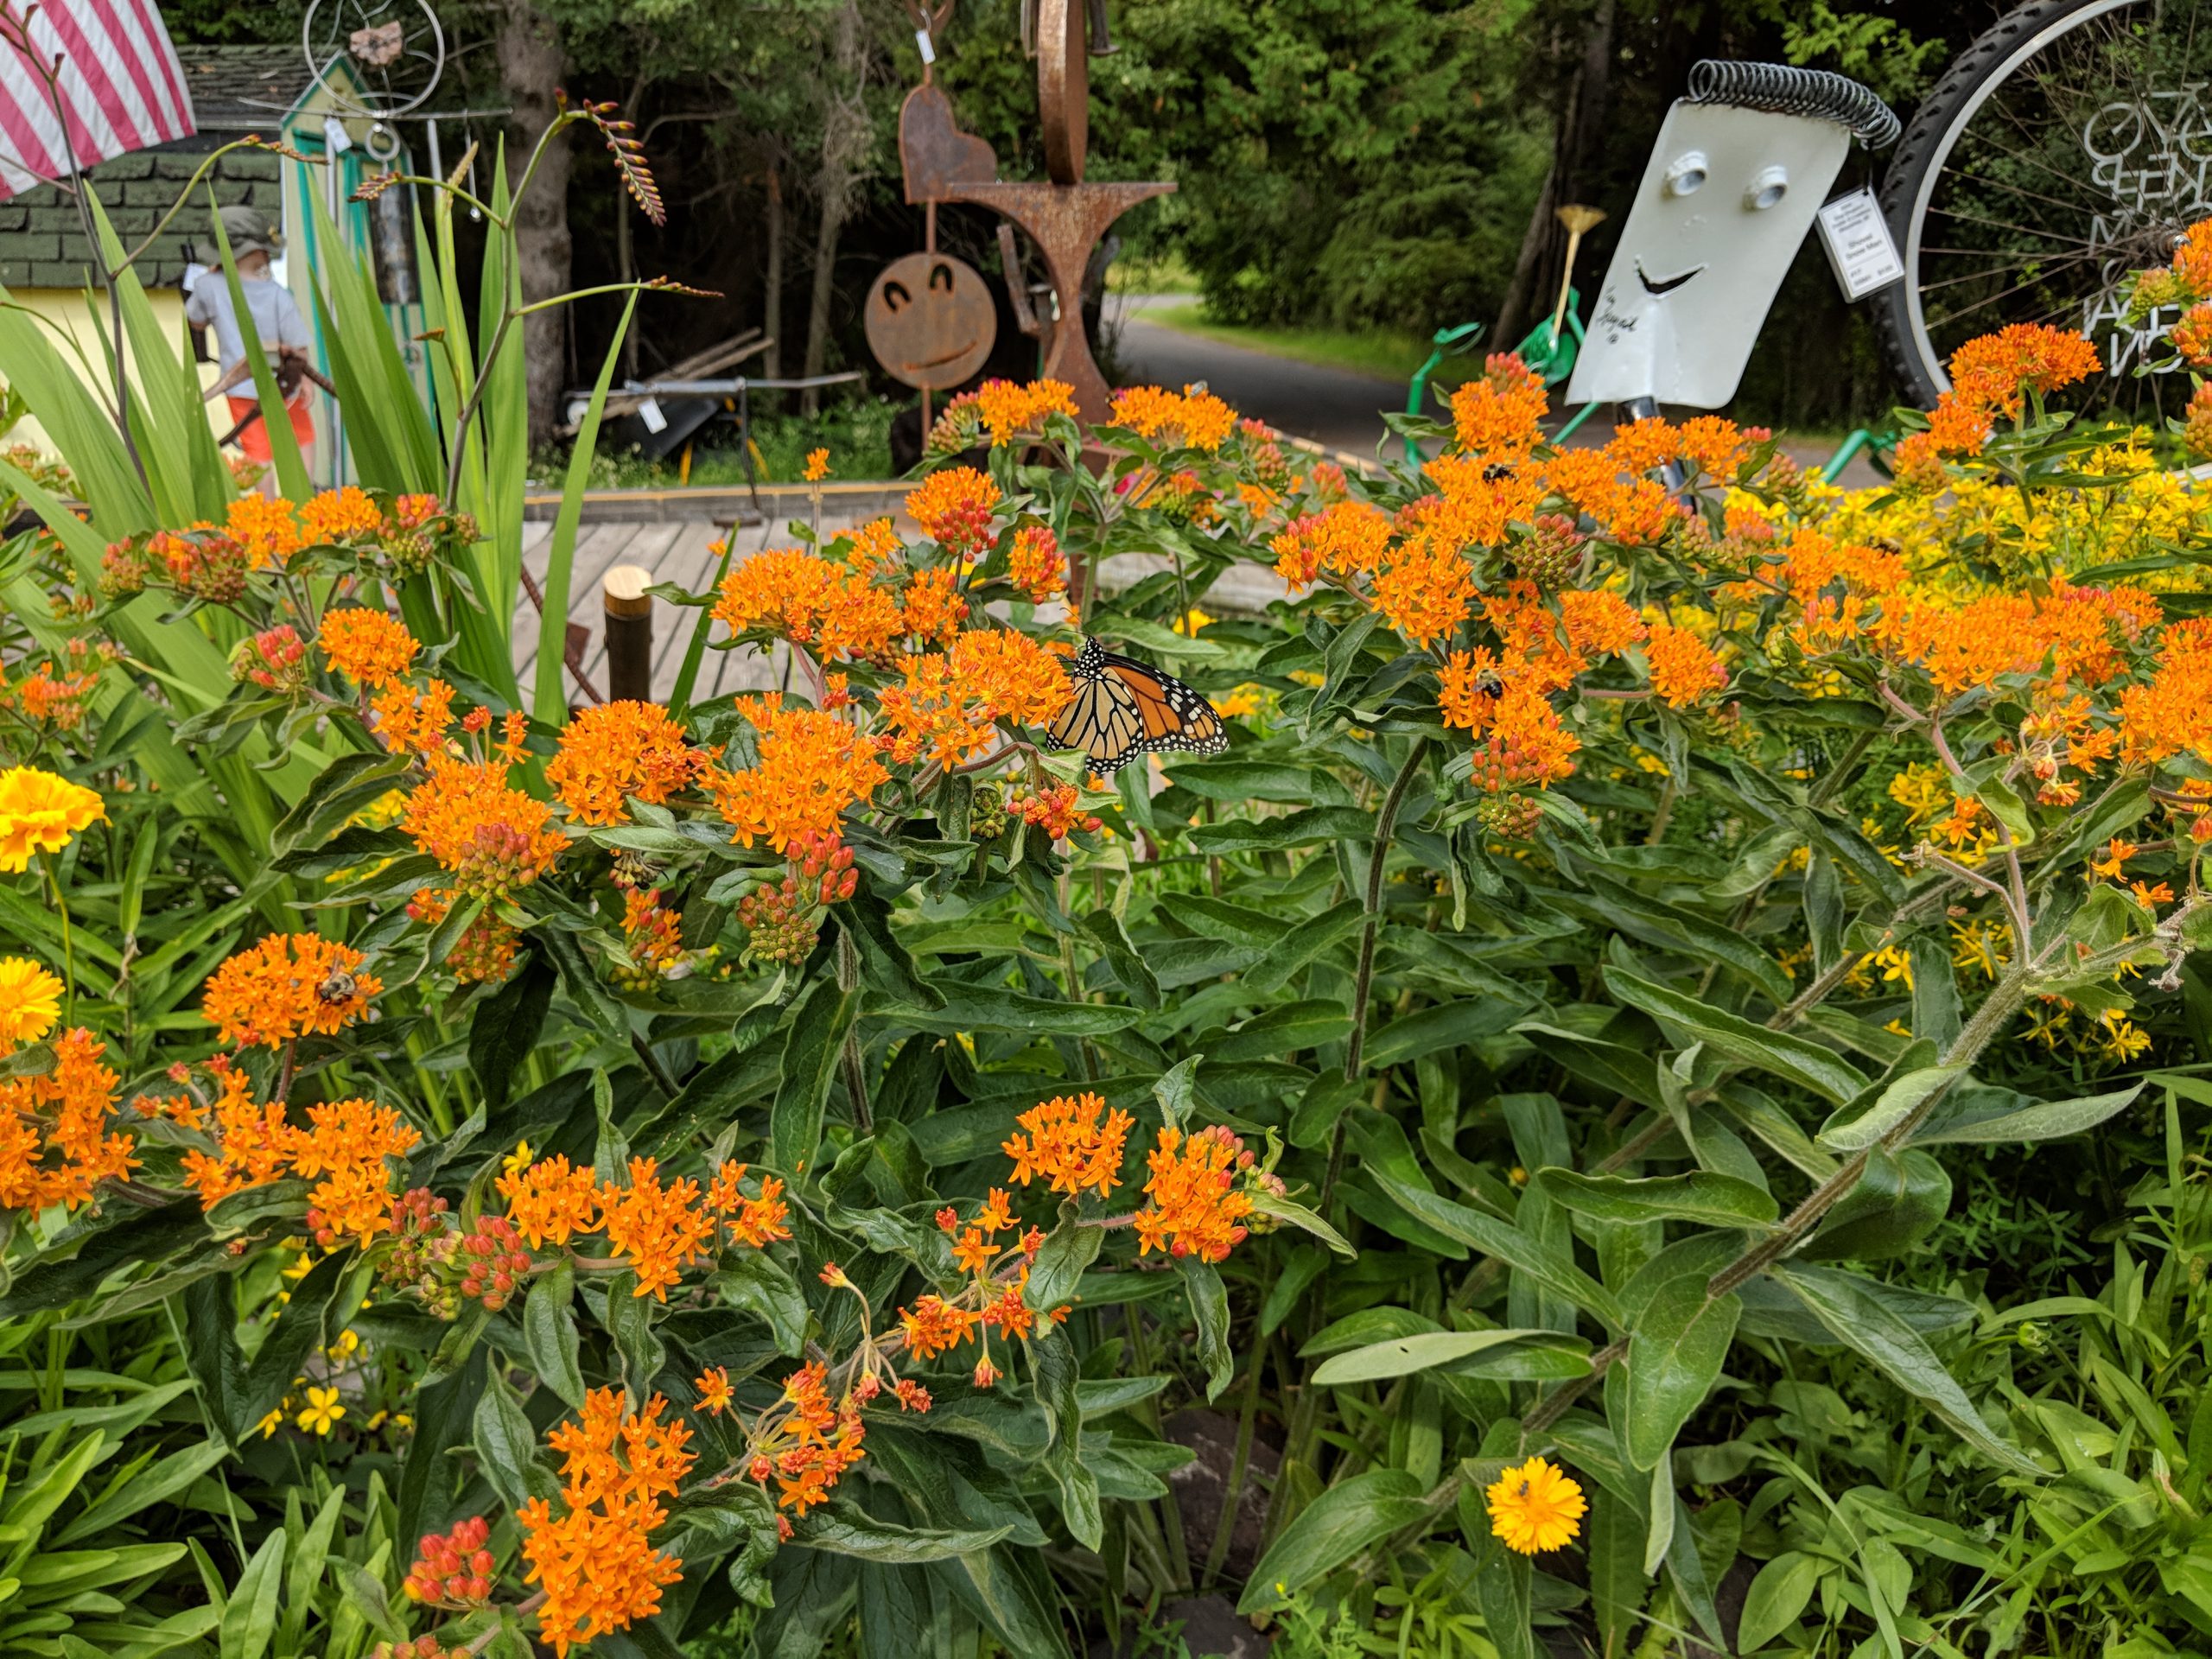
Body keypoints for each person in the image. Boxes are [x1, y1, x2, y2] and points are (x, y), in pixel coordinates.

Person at [185, 204, 315, 486]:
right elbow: (297, 344)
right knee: (301, 436)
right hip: (284, 384)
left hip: (239, 386)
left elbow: (195, 320)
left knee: (258, 451)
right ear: (256, 252)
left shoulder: (208, 286)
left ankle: (264, 514)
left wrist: (207, 278)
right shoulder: (277, 294)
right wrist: (306, 380)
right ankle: (307, 497)